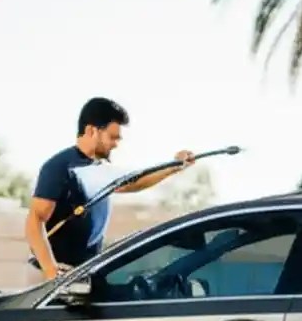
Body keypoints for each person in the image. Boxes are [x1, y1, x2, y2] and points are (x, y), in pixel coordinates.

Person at [24, 97, 195, 284]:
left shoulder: (98, 169)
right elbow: (34, 221)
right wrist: (51, 271)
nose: (116, 144)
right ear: (91, 131)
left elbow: (133, 182)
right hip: (53, 281)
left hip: (81, 275)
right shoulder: (60, 167)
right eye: (112, 137)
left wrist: (173, 166)